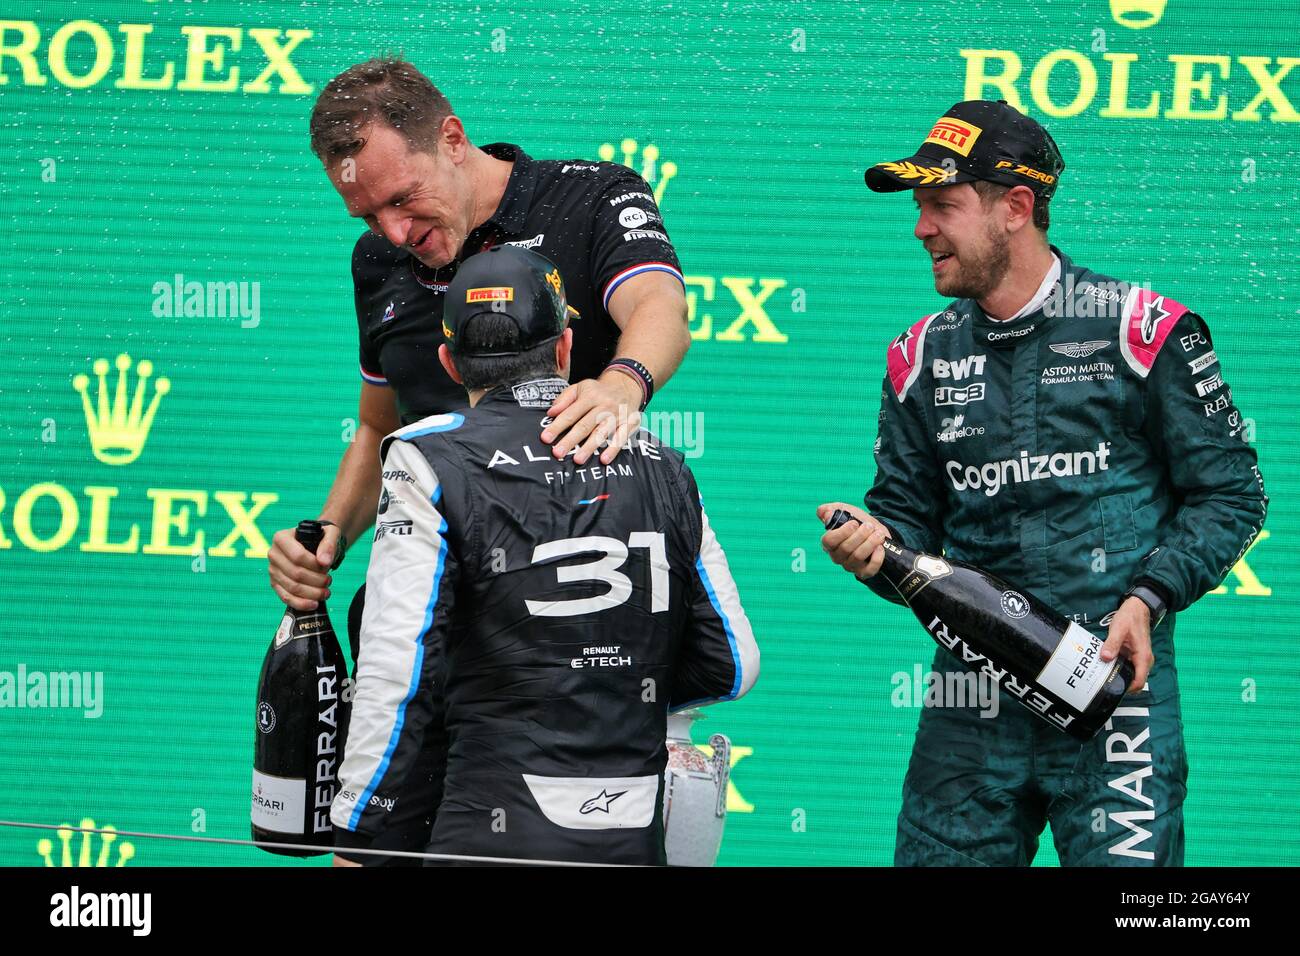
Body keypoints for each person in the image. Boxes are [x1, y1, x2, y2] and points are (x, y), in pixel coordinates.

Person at [818, 100, 1267, 866]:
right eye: (920, 208)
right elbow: (907, 524)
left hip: (1117, 693)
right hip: (970, 704)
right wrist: (874, 546)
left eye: (942, 206)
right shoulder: (917, 356)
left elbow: (1232, 495)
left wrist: (1145, 600)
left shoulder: (1143, 328)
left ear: (1016, 208)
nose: (921, 227)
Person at [267, 57, 691, 864]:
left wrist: (621, 383)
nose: (393, 232)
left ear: (452, 140)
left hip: (563, 651)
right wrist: (326, 536)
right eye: (365, 214)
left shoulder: (592, 194)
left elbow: (660, 306)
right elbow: (374, 429)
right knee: (384, 847)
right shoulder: (379, 262)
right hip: (423, 632)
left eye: (402, 199)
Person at [331, 245, 758, 865]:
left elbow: (397, 671)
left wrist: (359, 832)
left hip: (490, 831)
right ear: (564, 345)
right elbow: (731, 665)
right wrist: (606, 685)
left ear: (449, 362)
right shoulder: (664, 464)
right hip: (635, 836)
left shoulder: (426, 457)